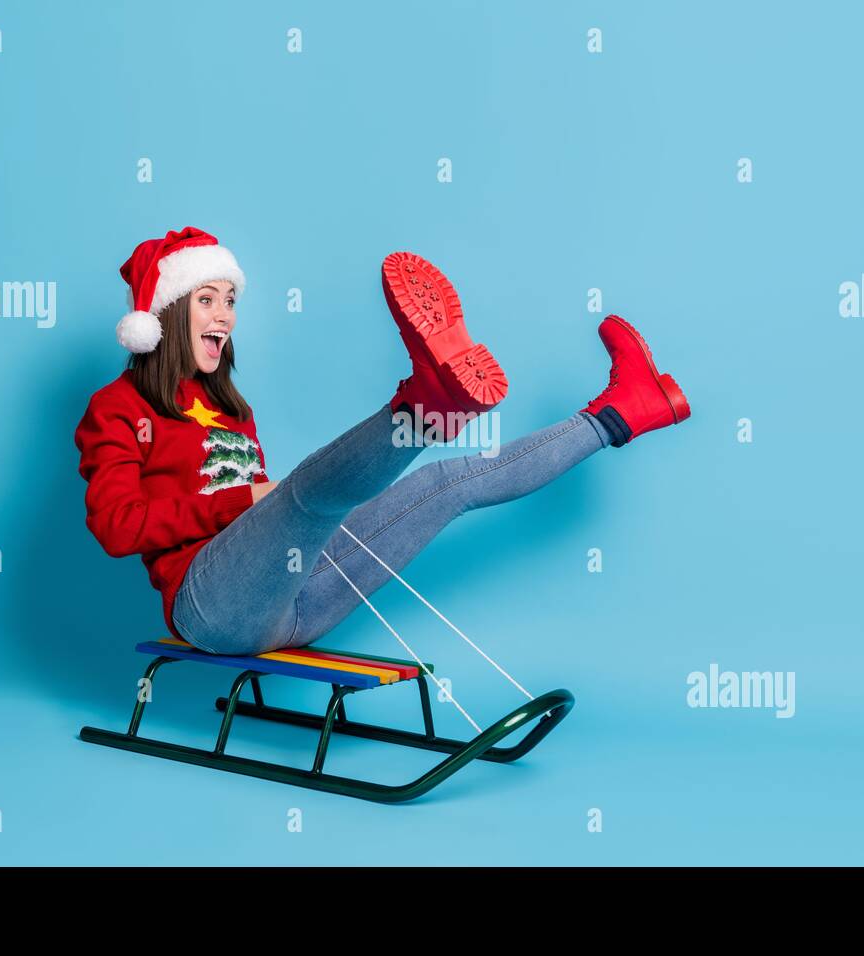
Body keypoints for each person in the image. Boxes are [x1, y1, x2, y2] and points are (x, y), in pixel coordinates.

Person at [74, 226, 691, 657]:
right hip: (209, 610)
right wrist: (247, 502)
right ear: (162, 316)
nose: (225, 316)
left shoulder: (232, 409)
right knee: (303, 495)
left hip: (296, 608)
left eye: (230, 300)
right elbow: (115, 526)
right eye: (206, 300)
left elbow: (268, 521)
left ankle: (621, 412)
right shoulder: (119, 408)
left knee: (444, 485)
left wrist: (268, 507)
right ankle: (427, 405)